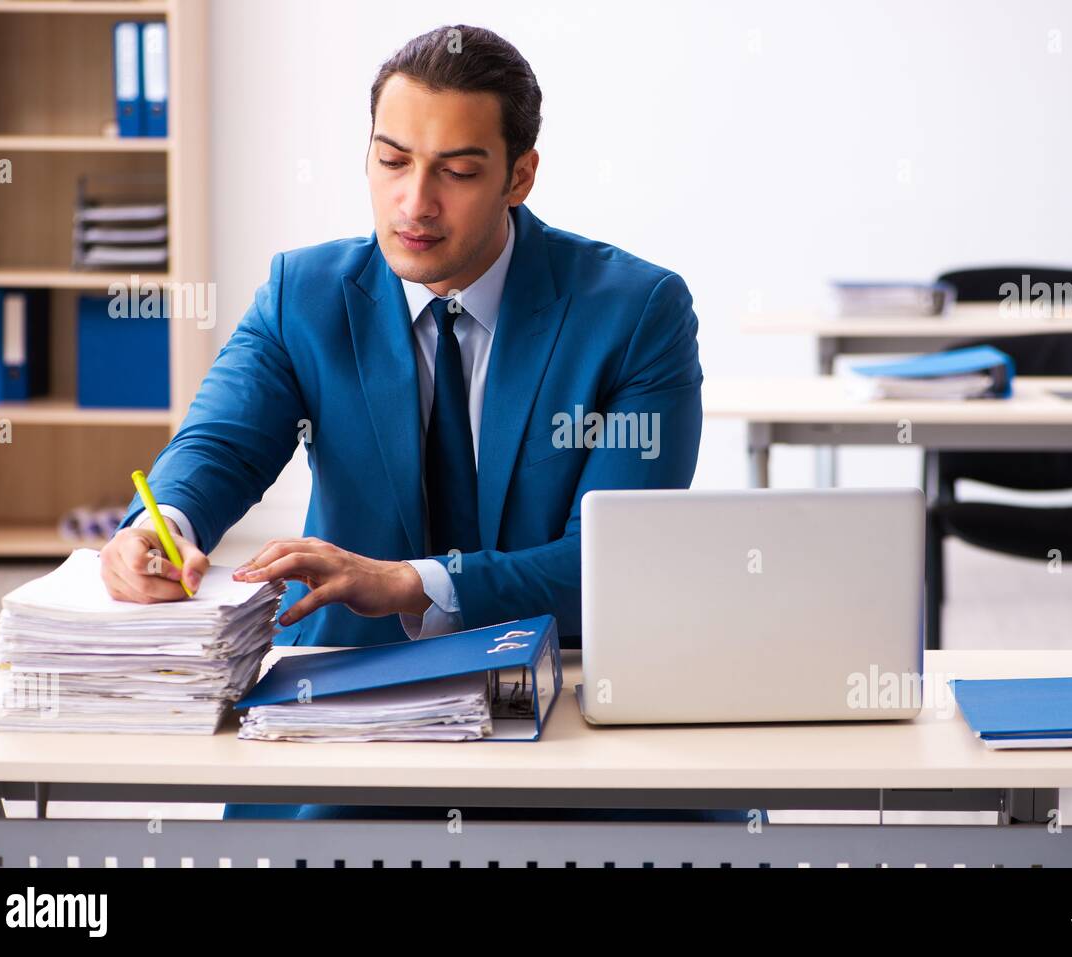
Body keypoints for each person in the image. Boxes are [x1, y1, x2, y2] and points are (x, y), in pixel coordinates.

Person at [100, 24, 723, 823]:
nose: (414, 203)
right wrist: (165, 523)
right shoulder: (306, 293)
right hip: (347, 695)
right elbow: (219, 443)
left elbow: (612, 564)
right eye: (391, 160)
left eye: (457, 172)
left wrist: (414, 583)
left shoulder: (635, 313)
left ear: (519, 176)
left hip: (563, 690)